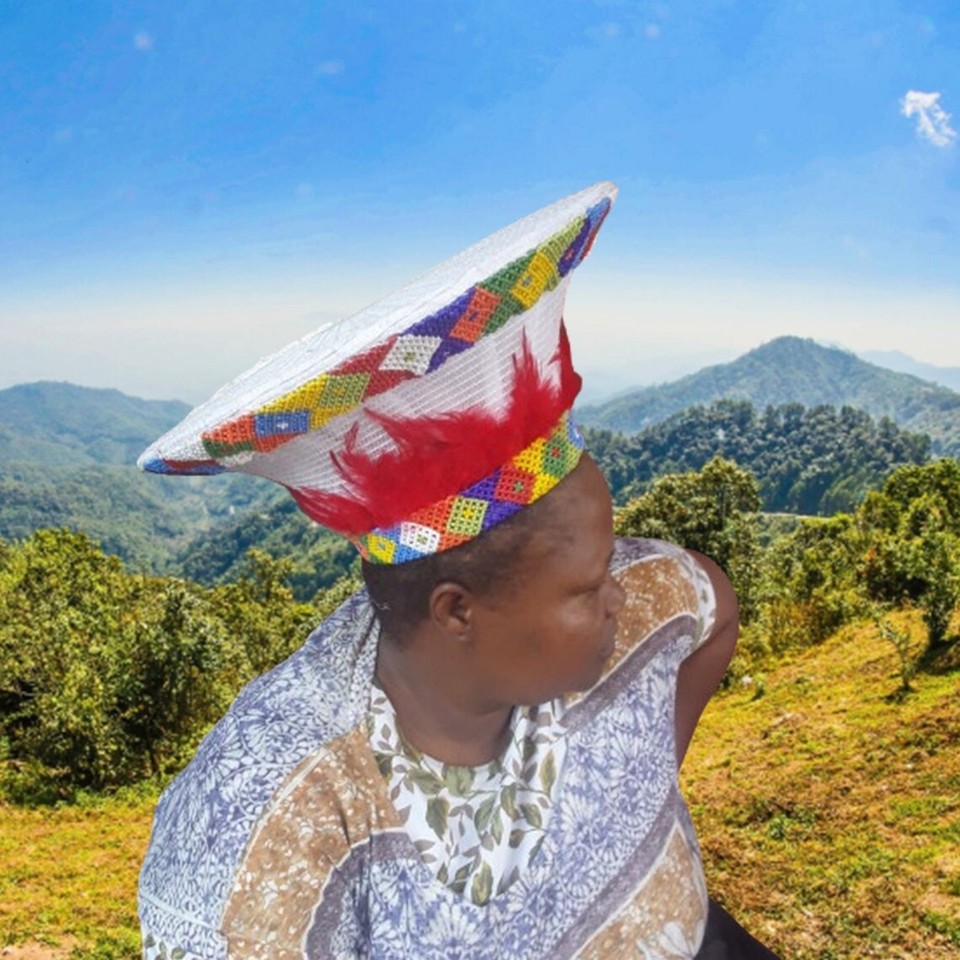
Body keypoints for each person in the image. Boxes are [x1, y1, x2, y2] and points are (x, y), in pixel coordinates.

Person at [137, 183, 779, 958]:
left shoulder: (644, 604)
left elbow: (709, 600)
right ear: (456, 611)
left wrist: (643, 789)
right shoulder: (276, 817)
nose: (624, 592)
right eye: (586, 585)